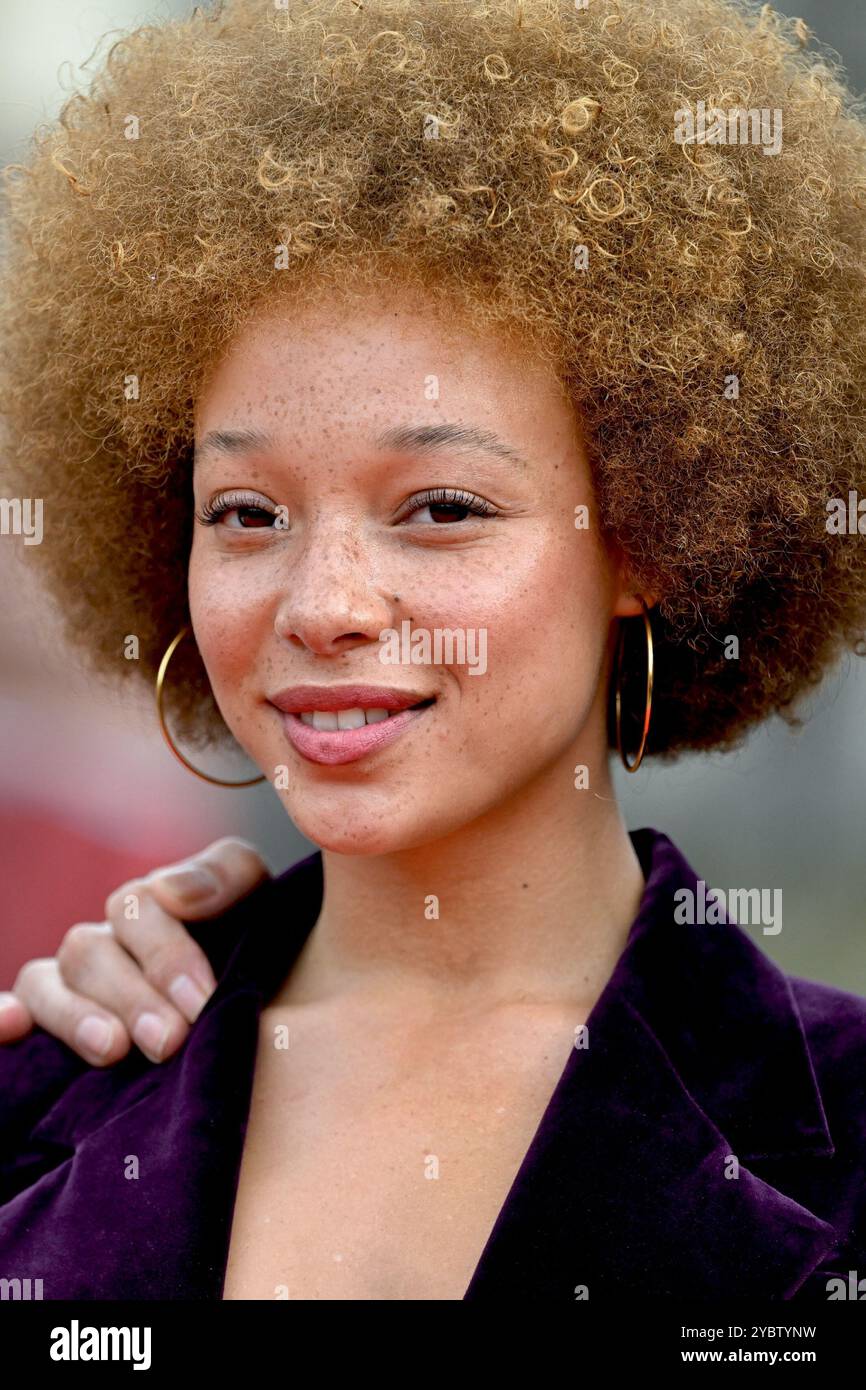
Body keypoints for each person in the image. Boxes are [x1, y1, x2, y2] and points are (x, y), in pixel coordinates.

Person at [1, 0, 866, 1301]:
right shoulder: (52, 1098)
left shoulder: (837, 1135)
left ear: (647, 538)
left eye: (441, 508)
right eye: (247, 513)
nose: (323, 603)